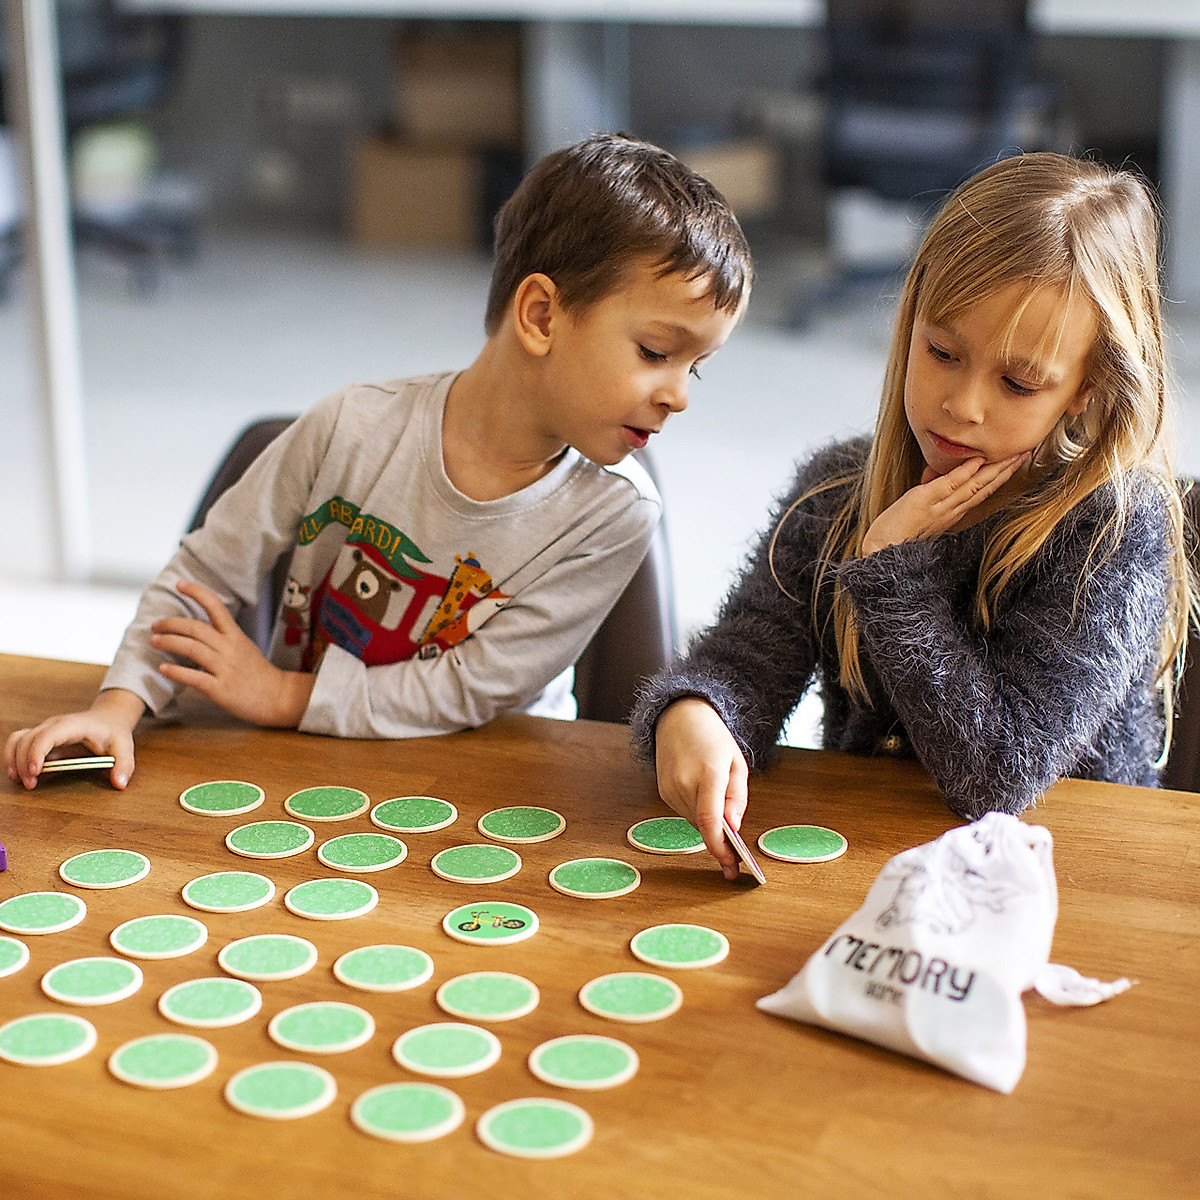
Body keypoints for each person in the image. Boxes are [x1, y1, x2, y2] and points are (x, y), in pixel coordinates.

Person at [7, 133, 752, 791]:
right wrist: (116, 708)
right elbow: (204, 574)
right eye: (658, 353)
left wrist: (281, 695)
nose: (679, 396)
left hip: (487, 787)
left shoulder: (616, 515)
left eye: (699, 367)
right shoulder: (349, 428)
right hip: (297, 770)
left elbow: (468, 690)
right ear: (541, 315)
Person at [632, 152, 1195, 880]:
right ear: (909, 324)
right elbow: (746, 657)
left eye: (1019, 383)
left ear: (1086, 390)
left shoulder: (1113, 533)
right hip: (881, 870)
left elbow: (995, 778)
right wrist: (696, 713)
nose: (963, 405)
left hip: (1069, 887)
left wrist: (894, 572)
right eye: (941, 351)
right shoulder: (834, 489)